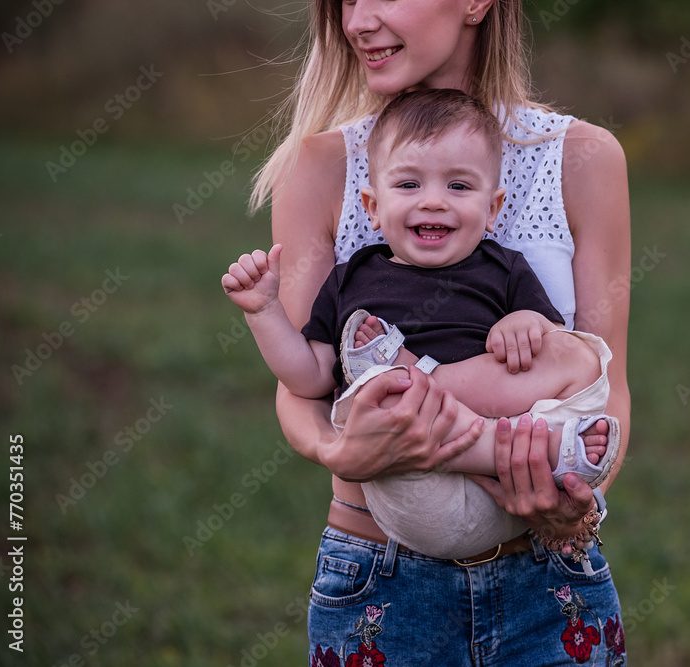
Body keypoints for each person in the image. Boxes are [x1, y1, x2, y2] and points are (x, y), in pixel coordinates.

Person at [248, 0, 631, 664]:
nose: (357, 21)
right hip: (381, 575)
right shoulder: (318, 166)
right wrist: (341, 453)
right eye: (344, 2)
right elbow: (303, 387)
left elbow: (607, 381)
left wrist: (581, 506)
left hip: (548, 577)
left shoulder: (584, 157)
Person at [223, 88, 620, 559]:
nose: (433, 202)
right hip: (417, 491)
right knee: (373, 397)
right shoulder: (351, 280)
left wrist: (526, 322)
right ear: (372, 206)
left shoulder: (505, 268)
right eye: (409, 185)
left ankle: (419, 377)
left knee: (581, 353)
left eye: (458, 186)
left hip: (511, 492)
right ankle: (429, 396)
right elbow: (307, 378)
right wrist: (263, 312)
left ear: (493, 209)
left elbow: (554, 349)